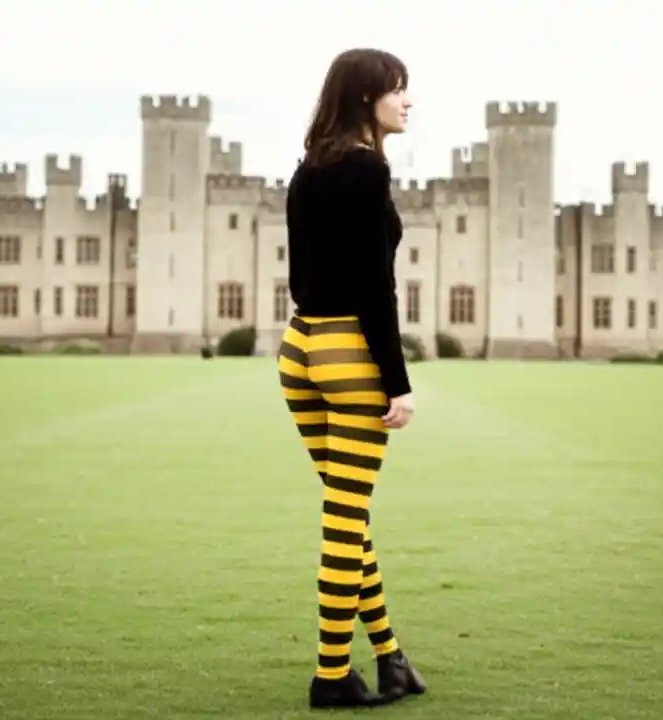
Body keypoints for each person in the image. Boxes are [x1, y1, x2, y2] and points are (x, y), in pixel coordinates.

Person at [277, 48, 426, 710]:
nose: (407, 101)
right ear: (368, 97)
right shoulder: (366, 172)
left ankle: (390, 657)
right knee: (345, 519)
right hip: (348, 356)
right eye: (398, 90)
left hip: (299, 349)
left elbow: (298, 275)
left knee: (348, 512)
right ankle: (332, 675)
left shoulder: (309, 168)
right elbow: (376, 288)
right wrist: (398, 381)